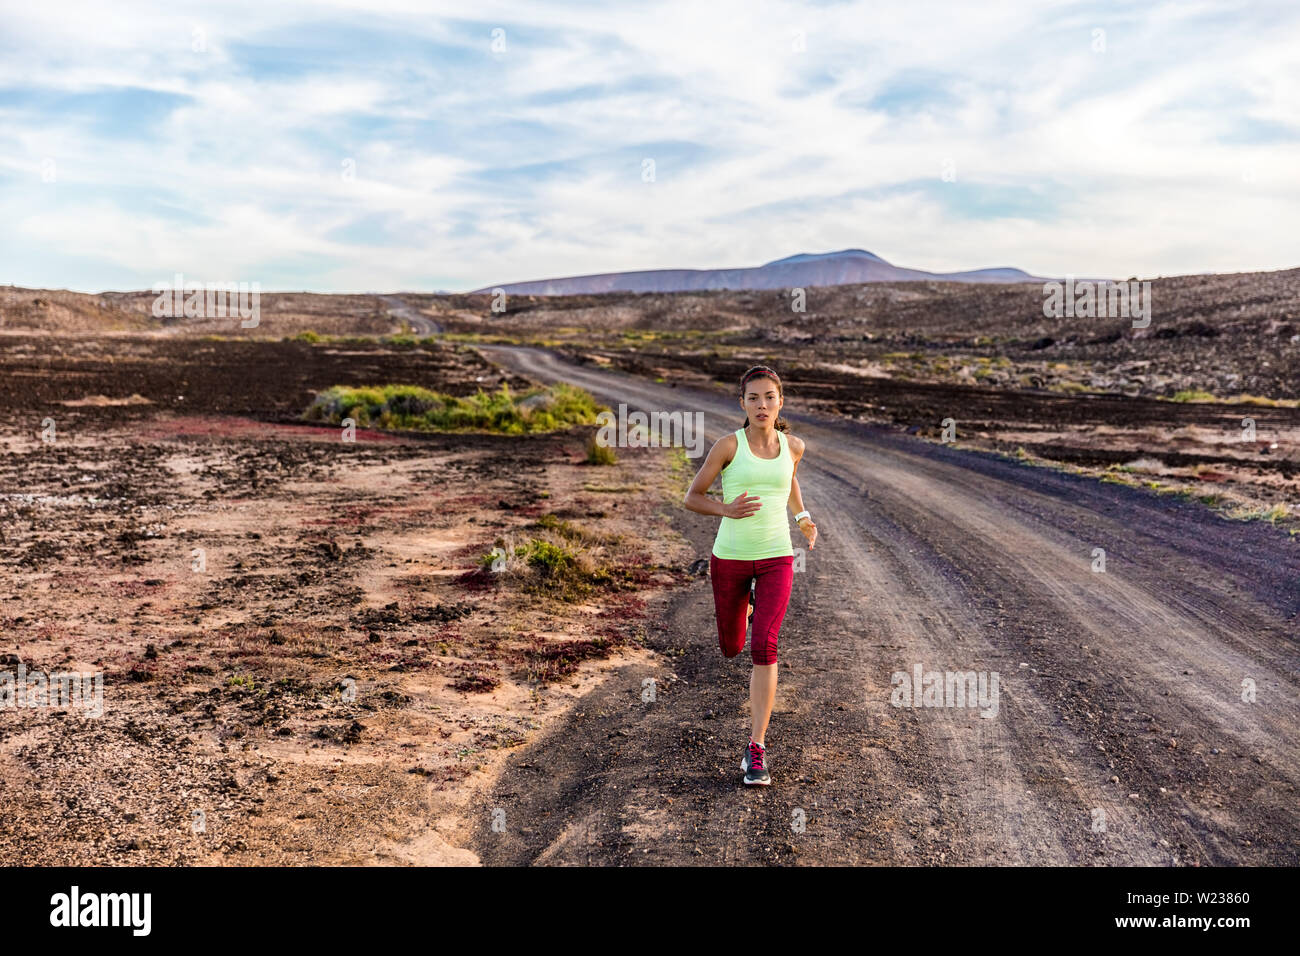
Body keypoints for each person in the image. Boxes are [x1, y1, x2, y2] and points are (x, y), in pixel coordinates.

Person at [683, 365, 817, 785]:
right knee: (731, 646)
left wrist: (804, 518)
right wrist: (725, 508)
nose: (763, 405)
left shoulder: (793, 446)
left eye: (770, 397)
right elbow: (692, 497)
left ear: (781, 402)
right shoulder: (727, 446)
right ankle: (744, 610)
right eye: (754, 398)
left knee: (765, 645)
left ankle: (756, 748)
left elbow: (789, 482)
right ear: (742, 403)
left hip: (778, 556)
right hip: (731, 558)